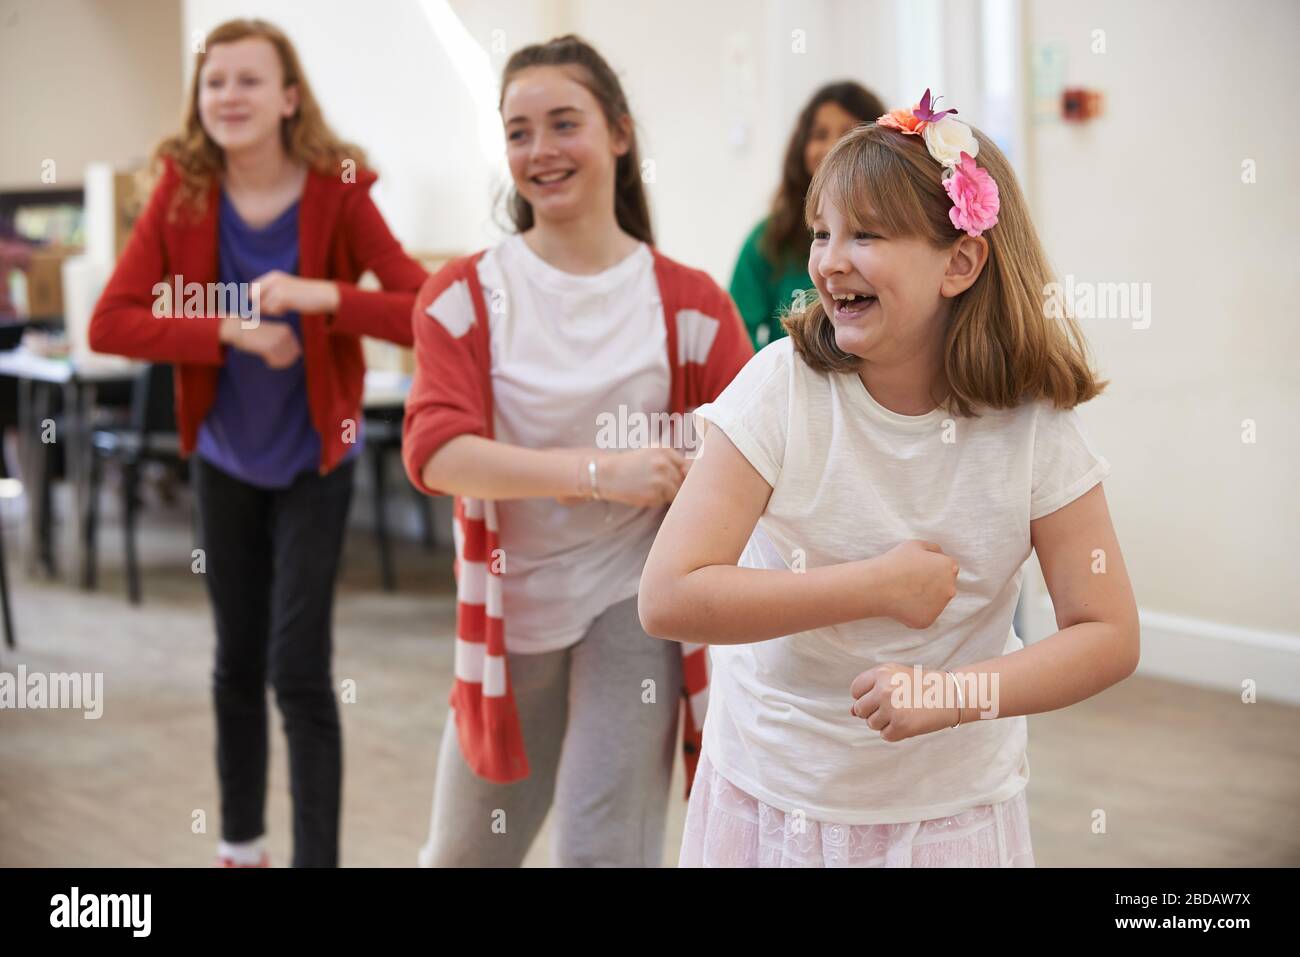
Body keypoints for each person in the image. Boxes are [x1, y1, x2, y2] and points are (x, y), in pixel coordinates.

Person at [640, 93, 1140, 867]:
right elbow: (669, 595)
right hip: (778, 796)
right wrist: (876, 585)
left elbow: (1107, 632)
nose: (829, 259)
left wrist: (951, 695)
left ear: (961, 261)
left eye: (865, 233)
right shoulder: (781, 388)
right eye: (821, 232)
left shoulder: (1032, 422)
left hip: (950, 811)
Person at [401, 35, 752, 867]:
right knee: (464, 854)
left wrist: (694, 464)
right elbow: (436, 450)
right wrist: (602, 474)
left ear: (619, 135)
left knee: (604, 852)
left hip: (630, 608)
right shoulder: (461, 297)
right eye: (518, 132)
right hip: (507, 611)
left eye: (565, 123)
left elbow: (753, 448)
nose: (541, 151)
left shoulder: (691, 303)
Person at [89, 18, 428, 867]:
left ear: (288, 98)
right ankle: (241, 848)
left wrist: (324, 295)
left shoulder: (338, 190)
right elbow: (114, 321)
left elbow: (424, 308)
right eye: (214, 82)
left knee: (298, 666)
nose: (228, 96)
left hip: (318, 455)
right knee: (235, 659)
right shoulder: (182, 189)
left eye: (249, 80)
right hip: (224, 458)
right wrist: (231, 327)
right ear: (199, 102)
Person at [729, 81, 884, 349]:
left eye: (849, 133)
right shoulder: (768, 240)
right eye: (820, 134)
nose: (833, 147)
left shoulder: (895, 234)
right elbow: (736, 336)